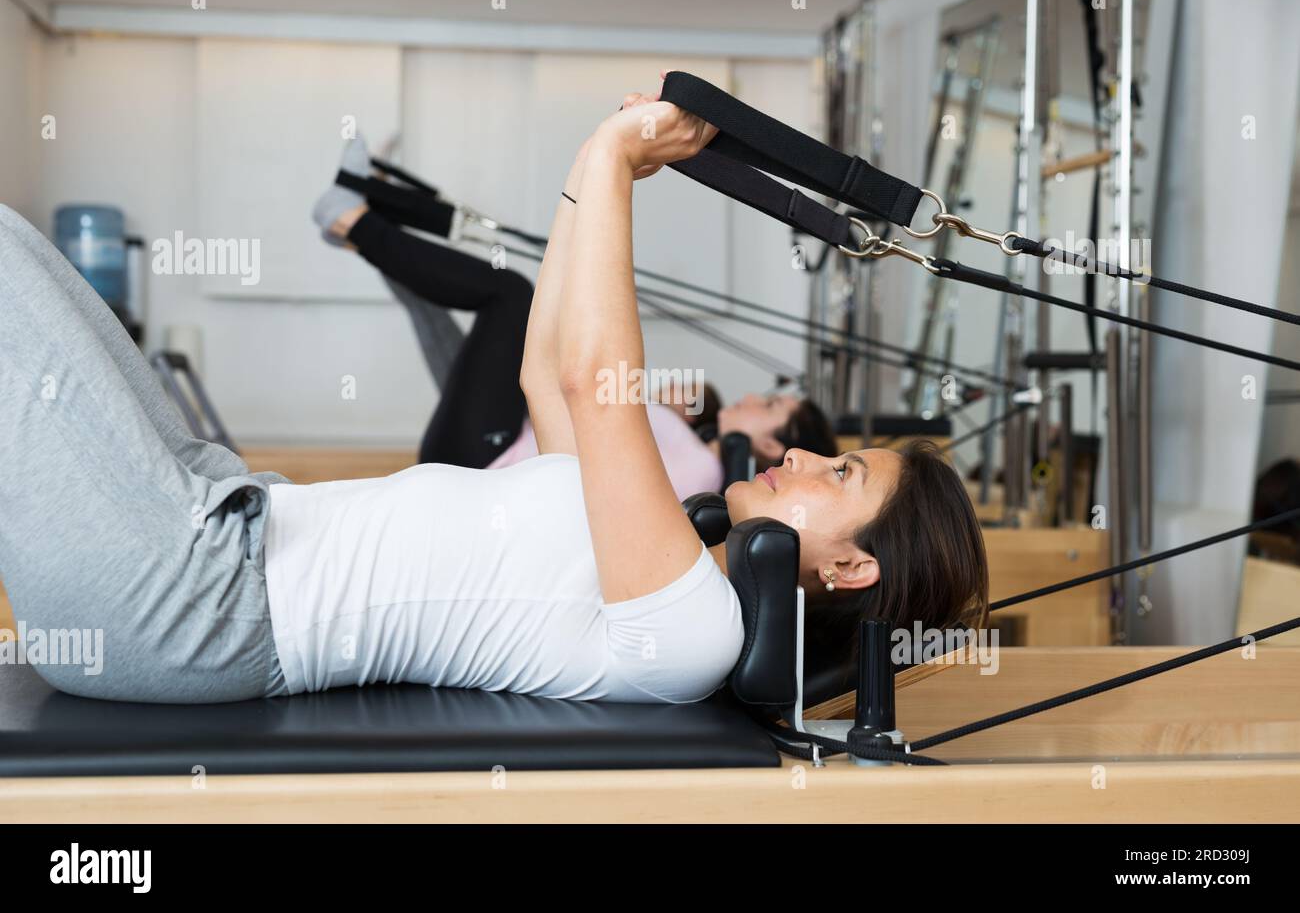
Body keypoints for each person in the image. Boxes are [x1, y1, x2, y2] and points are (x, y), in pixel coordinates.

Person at [0, 81, 987, 707]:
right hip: (213, 528)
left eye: (842, 470)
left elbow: (593, 387)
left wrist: (614, 164)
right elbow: (541, 361)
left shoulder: (695, 625)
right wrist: (595, 162)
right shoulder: (666, 557)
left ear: (852, 566)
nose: (807, 455)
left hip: (193, 601)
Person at [311, 139, 838, 499]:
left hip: (486, 465)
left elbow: (598, 496)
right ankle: (360, 225)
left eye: (768, 406)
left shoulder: (700, 471)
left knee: (508, 294)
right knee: (443, 309)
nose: (753, 397)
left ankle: (352, 217)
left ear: (772, 444)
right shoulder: (690, 446)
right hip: (495, 444)